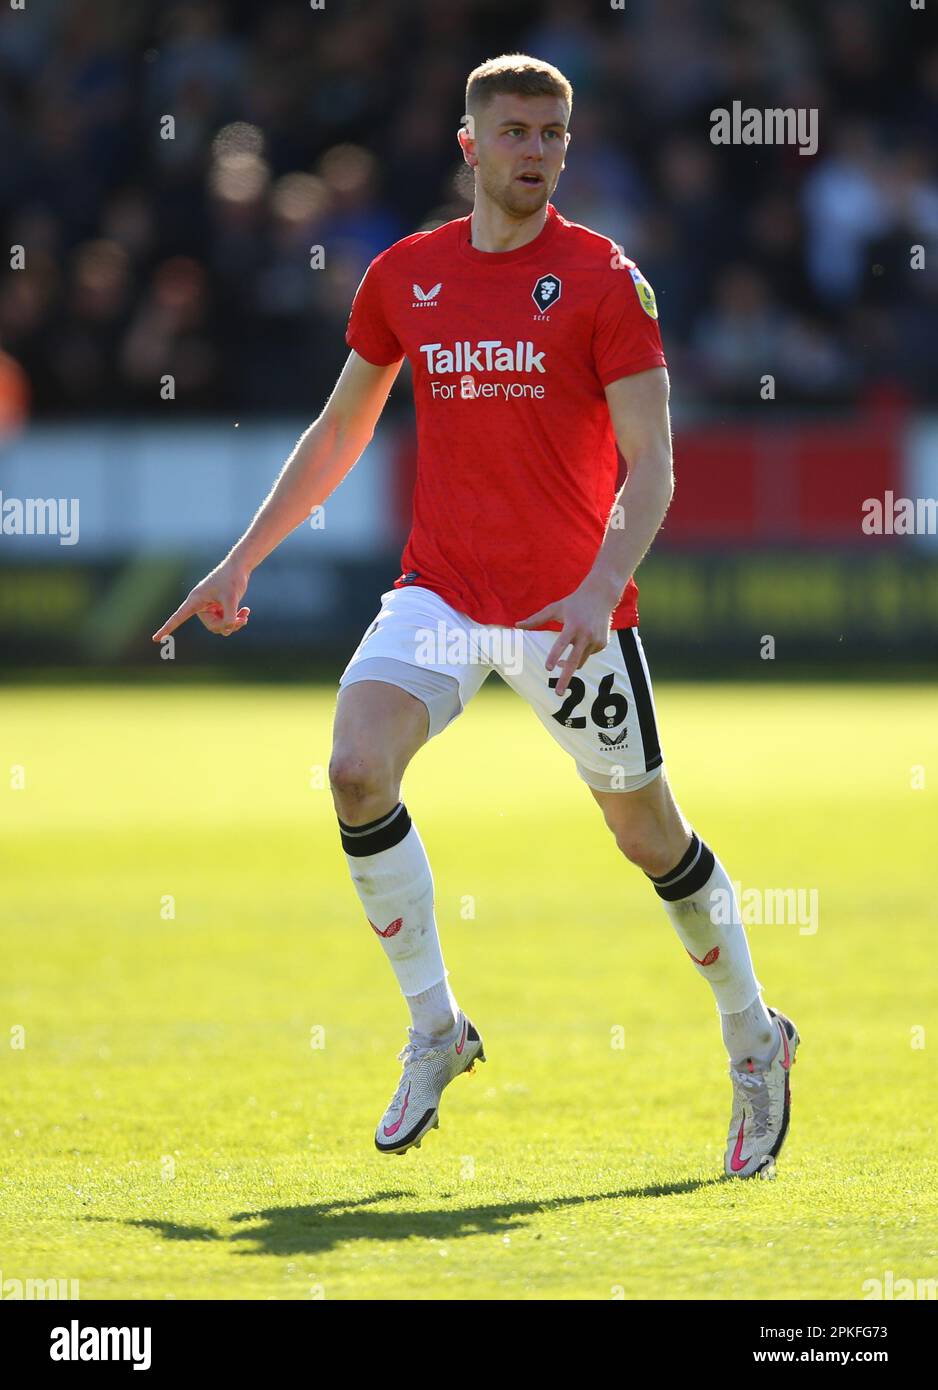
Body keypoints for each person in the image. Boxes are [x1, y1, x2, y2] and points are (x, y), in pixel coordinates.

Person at [153, 53, 798, 1180]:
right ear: (469, 145)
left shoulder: (605, 281)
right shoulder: (407, 275)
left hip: (565, 615)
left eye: (551, 133)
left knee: (647, 837)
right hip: (442, 594)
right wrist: (240, 559)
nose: (536, 151)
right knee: (356, 771)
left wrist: (601, 584)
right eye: (513, 132)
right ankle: (436, 1029)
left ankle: (753, 1033)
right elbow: (339, 431)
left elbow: (652, 467)